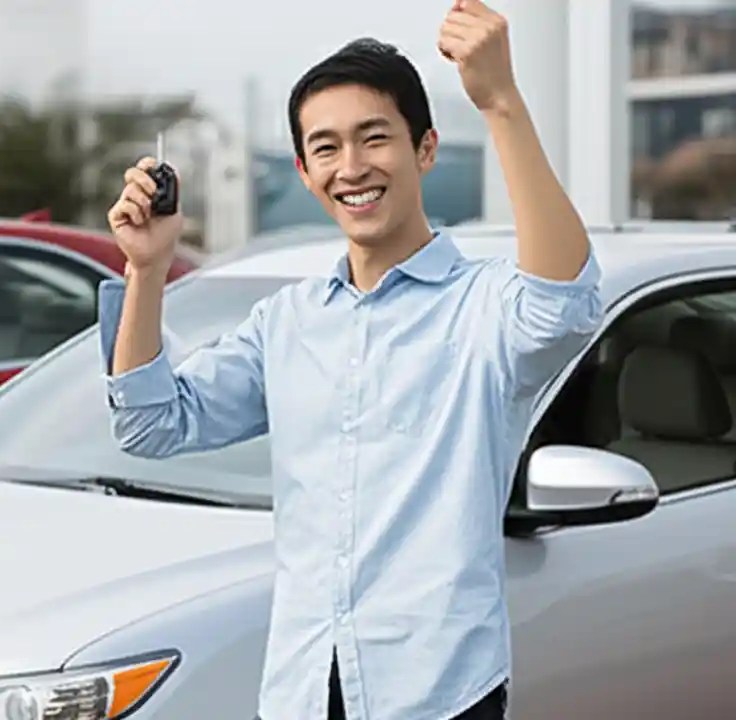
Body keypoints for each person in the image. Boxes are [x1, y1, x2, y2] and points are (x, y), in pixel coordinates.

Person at [99, 2, 605, 719]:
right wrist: (146, 272)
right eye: (327, 148)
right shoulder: (288, 321)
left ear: (425, 149)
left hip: (438, 696)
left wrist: (500, 102)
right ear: (305, 173)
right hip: (302, 690)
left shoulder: (484, 308)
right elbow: (151, 423)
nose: (353, 167)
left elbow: (564, 304)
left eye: (375, 138)